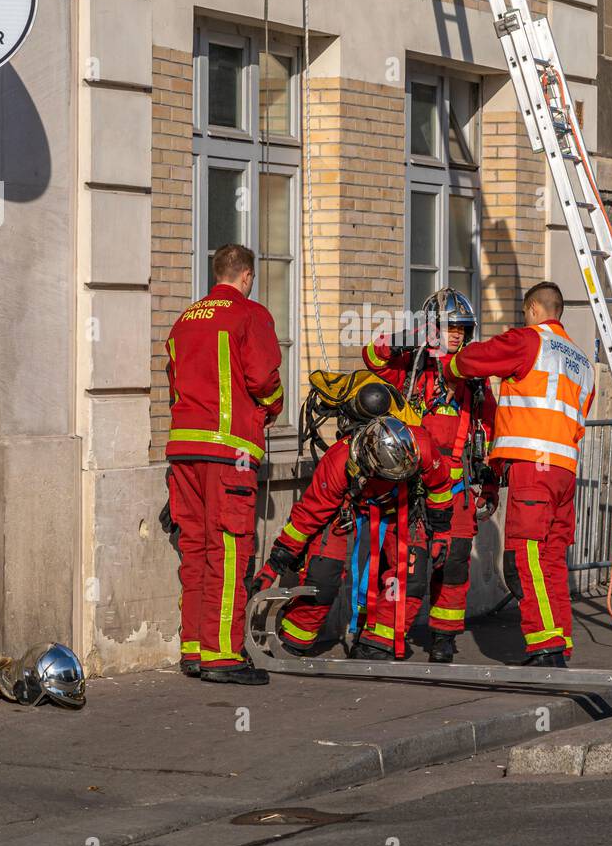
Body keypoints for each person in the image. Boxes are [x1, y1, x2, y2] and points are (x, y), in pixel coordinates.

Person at [441, 281, 594, 667]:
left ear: (532, 310)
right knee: (553, 558)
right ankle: (559, 639)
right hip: (565, 470)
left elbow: (477, 360)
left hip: (533, 467)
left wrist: (452, 366)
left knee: (526, 555)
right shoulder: (582, 361)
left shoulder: (528, 341)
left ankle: (544, 644)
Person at [166, 243, 283, 685]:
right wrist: (271, 408)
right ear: (247, 276)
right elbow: (264, 379)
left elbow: (176, 379)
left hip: (183, 451)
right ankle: (222, 655)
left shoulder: (183, 321)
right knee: (230, 549)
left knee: (194, 548)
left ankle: (193, 648)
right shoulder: (249, 315)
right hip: (227, 450)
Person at [362, 288, 498, 662]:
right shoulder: (412, 368)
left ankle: (444, 637)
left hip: (457, 486)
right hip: (416, 483)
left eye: (462, 329)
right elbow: (372, 354)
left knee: (453, 564)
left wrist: (490, 482)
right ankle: (386, 636)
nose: (456, 335)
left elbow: (490, 428)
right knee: (409, 560)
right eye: (449, 327)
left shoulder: (475, 379)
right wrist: (413, 337)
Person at [254, 415, 454, 660]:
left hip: (401, 508)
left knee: (410, 577)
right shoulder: (339, 462)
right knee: (322, 576)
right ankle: (295, 640)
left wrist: (442, 532)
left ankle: (378, 644)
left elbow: (441, 487)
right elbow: (308, 516)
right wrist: (276, 562)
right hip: (346, 509)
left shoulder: (420, 445)